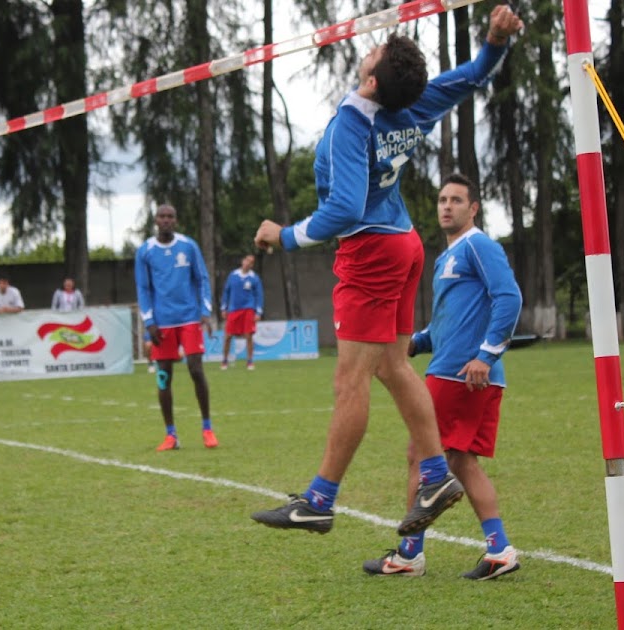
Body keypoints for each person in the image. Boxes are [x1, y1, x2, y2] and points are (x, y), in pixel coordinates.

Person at [250, 6, 524, 547]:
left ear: (372, 79)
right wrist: (494, 41)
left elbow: (344, 211)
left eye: (373, 53)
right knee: (395, 367)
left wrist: (281, 236)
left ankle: (320, 500)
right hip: (404, 244)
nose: (367, 48)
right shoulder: (413, 104)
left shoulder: (352, 125)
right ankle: (434, 475)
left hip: (372, 250)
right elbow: (471, 76)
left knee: (349, 380)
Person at [364, 174, 522, 580]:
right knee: (461, 462)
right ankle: (499, 549)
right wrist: (414, 343)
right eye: (442, 199)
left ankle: (408, 554)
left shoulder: (479, 245)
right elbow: (445, 324)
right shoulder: (447, 256)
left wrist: (485, 355)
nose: (446, 206)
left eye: (456, 200)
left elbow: (509, 297)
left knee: (421, 454)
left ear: (473, 209)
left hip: (461, 374)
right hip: (459, 370)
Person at [135, 204, 217, 451]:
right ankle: (171, 435)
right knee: (163, 377)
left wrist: (205, 311)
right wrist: (149, 321)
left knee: (195, 369)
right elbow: (143, 288)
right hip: (162, 323)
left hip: (190, 318)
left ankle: (207, 428)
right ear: (156, 220)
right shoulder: (145, 251)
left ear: (176, 221)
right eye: (162, 216)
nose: (166, 220)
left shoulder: (188, 246)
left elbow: (201, 278)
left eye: (171, 216)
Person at [219, 254, 264, 371]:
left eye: (251, 262)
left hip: (248, 309)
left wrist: (258, 312)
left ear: (252, 265)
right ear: (242, 261)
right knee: (228, 336)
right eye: (247, 260)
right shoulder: (233, 275)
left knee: (248, 335)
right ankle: (224, 360)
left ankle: (250, 361)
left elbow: (259, 295)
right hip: (233, 309)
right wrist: (223, 308)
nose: (248, 263)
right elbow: (226, 292)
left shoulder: (254, 278)